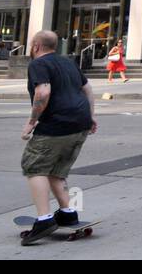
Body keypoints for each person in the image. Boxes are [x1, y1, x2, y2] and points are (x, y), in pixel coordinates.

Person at [20, 30, 96, 245]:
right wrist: (91, 116)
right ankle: (67, 212)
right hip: (80, 124)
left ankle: (44, 219)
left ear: (35, 46)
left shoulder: (38, 64)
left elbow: (43, 92)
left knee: (34, 167)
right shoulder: (68, 62)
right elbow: (88, 89)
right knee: (56, 170)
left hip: (56, 124)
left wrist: (32, 121)